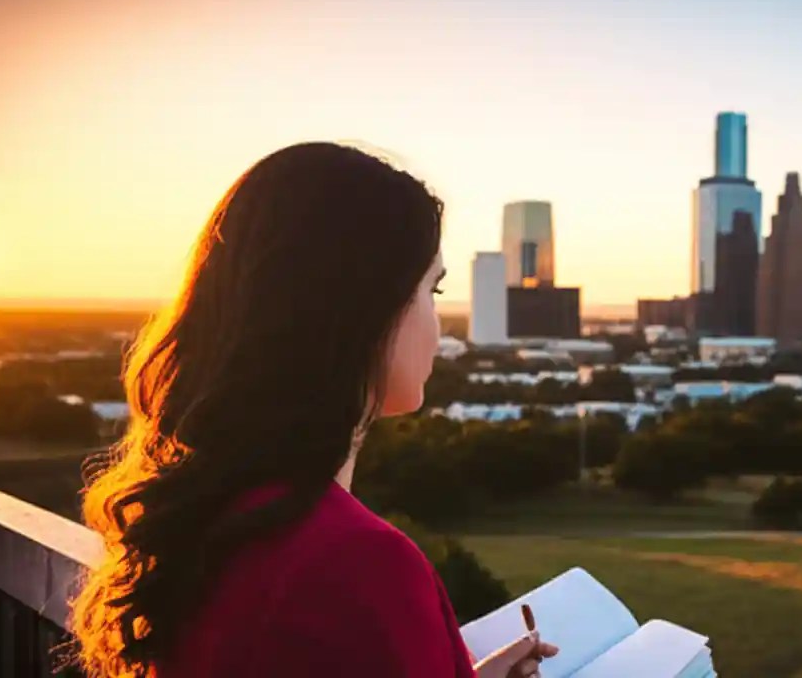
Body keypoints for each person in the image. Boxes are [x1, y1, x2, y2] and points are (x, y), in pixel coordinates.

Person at [69, 142, 559, 677]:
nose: (439, 327)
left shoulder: (216, 517)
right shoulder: (359, 563)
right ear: (363, 309)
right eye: (432, 290)